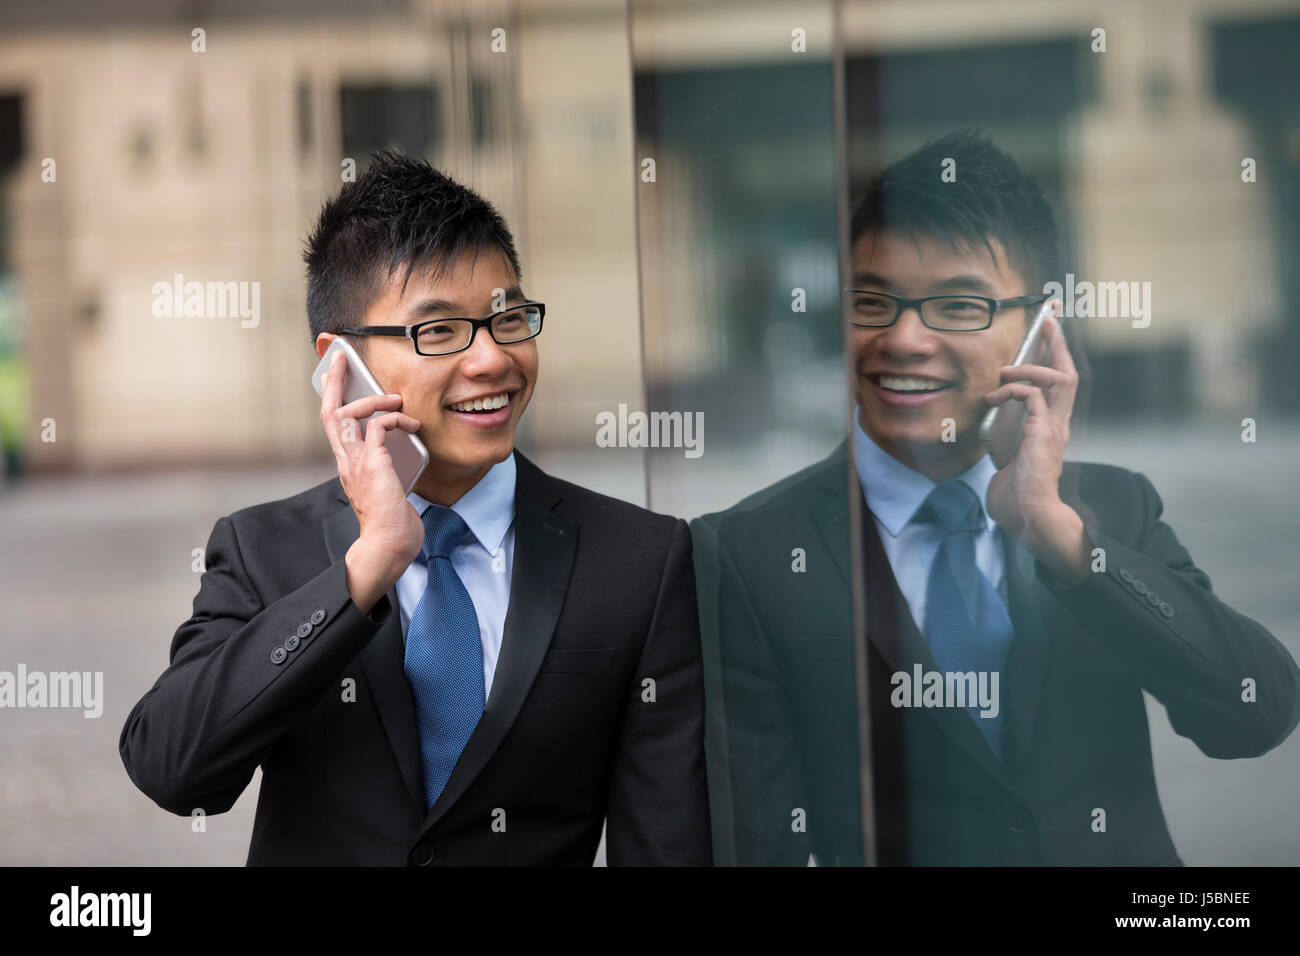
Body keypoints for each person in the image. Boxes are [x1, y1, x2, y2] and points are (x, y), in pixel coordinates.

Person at [693, 128, 1300, 865]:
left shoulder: (1111, 507)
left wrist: (1062, 540)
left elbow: (1253, 713)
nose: (904, 339)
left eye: (958, 306)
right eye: (873, 301)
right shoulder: (747, 553)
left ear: (1042, 330)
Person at [120, 150, 711, 866]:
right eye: (438, 332)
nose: (492, 359)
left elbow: (667, 843)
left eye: (508, 318)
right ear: (340, 362)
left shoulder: (639, 561)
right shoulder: (263, 548)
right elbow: (173, 769)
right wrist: (368, 565)